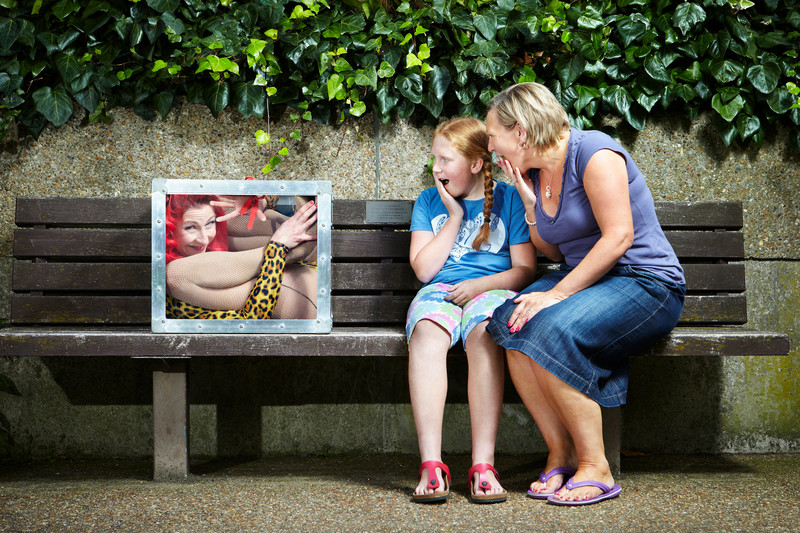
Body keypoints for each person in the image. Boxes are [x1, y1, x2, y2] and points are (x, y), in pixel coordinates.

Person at [484, 82, 686, 506]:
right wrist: (530, 206)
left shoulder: (594, 153)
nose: (489, 146)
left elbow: (619, 238)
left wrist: (556, 296)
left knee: (549, 326)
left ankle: (597, 466)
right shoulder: (537, 174)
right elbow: (555, 250)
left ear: (520, 131)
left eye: (492, 135)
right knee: (508, 321)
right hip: (587, 278)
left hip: (644, 282)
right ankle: (560, 451)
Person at [406, 117, 537, 503]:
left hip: (492, 291)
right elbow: (424, 270)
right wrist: (456, 217)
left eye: (446, 160)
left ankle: (483, 463)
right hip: (441, 291)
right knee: (427, 332)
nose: (437, 169)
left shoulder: (510, 199)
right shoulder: (429, 202)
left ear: (477, 164)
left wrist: (481, 285)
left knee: (484, 335)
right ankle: (432, 465)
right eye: (435, 159)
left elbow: (525, 269)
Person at [164, 194, 317, 320]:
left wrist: (264, 201)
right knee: (176, 272)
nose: (204, 239)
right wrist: (277, 248)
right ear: (169, 229)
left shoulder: (221, 240)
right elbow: (252, 320)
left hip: (318, 283)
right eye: (190, 227)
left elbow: (309, 217)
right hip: (318, 302)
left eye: (210, 223)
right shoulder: (177, 276)